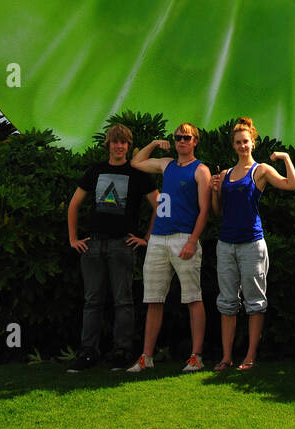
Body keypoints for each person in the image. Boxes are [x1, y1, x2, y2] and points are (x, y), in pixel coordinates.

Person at [67, 124, 158, 372]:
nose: (119, 147)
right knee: (92, 301)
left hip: (123, 246)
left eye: (124, 143)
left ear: (129, 146)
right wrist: (73, 239)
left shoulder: (138, 173)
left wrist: (146, 238)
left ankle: (121, 351)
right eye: (115, 142)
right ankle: (88, 352)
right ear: (108, 145)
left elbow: (160, 205)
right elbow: (74, 205)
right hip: (93, 245)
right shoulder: (95, 171)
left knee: (123, 301)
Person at [210, 117, 295, 371]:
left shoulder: (260, 171)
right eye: (238, 142)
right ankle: (226, 358)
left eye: (246, 141)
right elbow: (218, 212)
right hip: (226, 245)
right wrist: (215, 190)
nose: (242, 146)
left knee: (254, 302)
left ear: (253, 142)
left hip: (252, 244)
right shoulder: (225, 174)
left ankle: (249, 357)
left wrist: (285, 158)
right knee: (227, 303)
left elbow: (292, 185)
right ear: (233, 145)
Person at [126, 123, 211, 374]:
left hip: (184, 238)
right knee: (153, 299)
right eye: (177, 138)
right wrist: (153, 144)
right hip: (158, 239)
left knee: (193, 298)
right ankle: (146, 357)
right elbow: (136, 163)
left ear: (195, 141)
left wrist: (192, 241)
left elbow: (205, 210)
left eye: (186, 138)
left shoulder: (201, 170)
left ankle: (196, 357)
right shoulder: (167, 164)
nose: (181, 141)